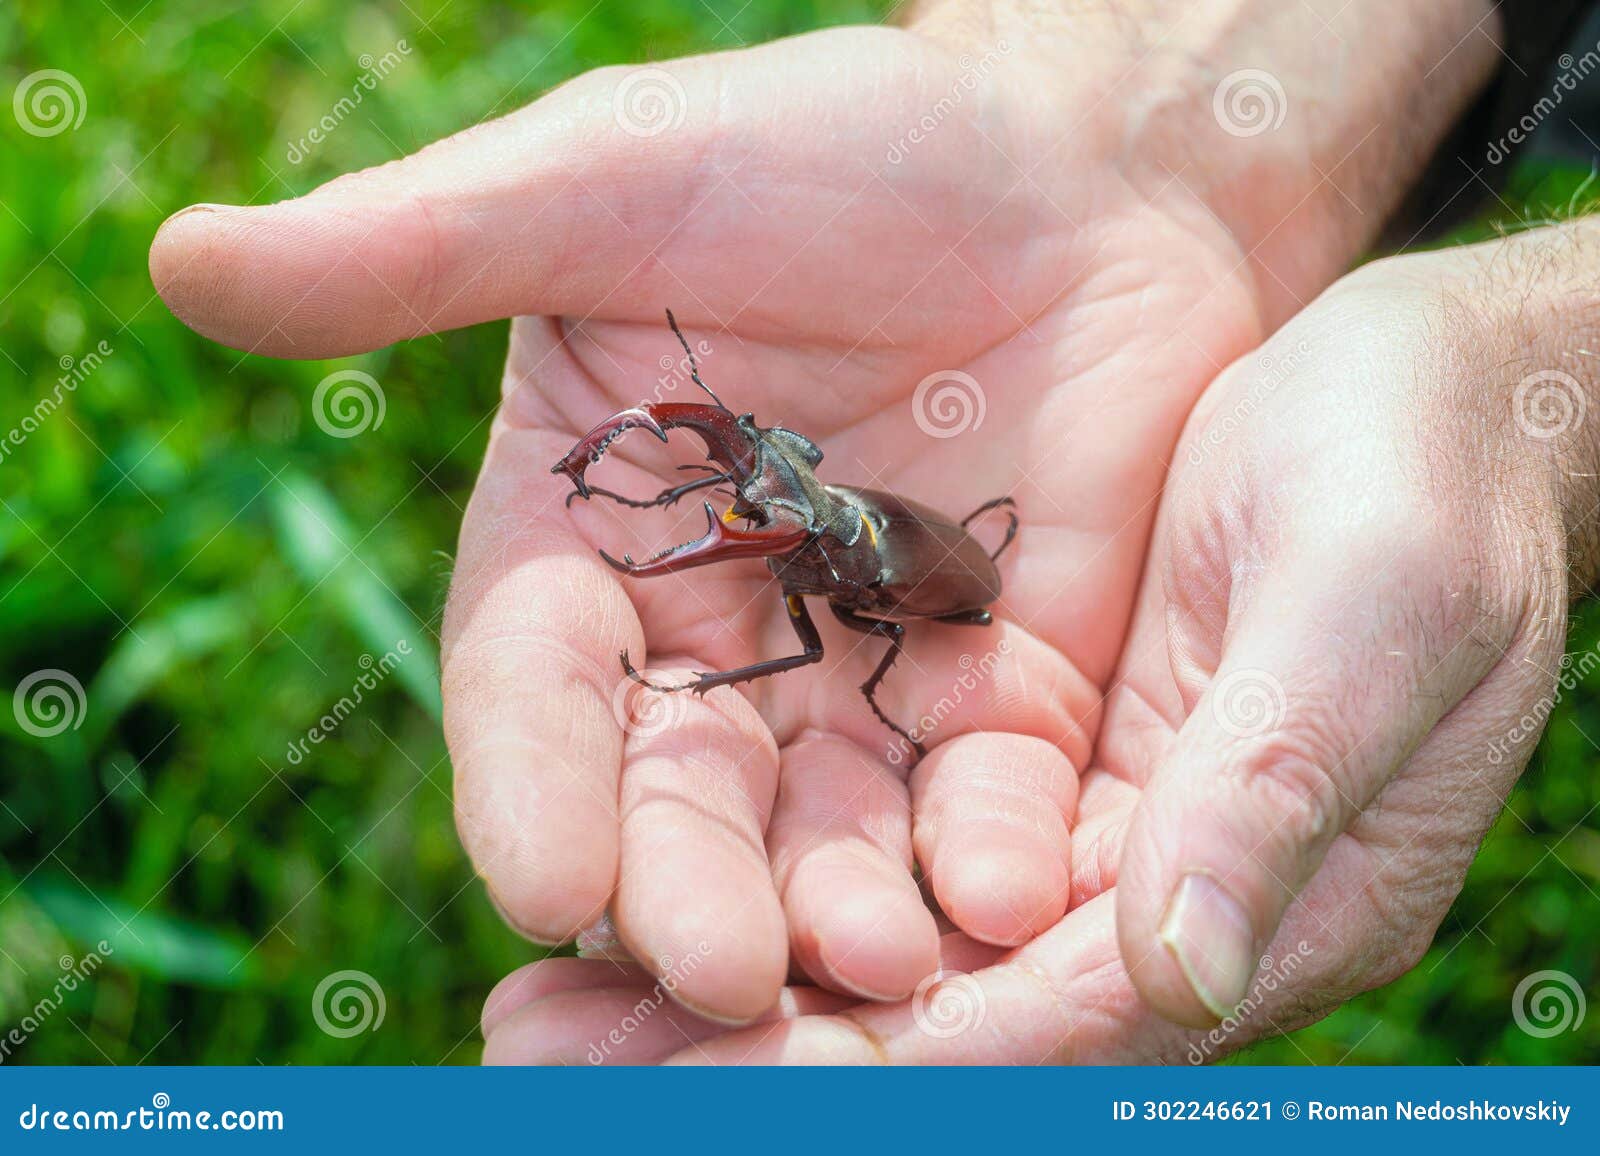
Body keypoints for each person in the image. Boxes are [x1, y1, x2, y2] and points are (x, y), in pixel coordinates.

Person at [149, 0, 1597, 1062]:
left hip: (922, 570)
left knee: (801, 634)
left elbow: (810, 641)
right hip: (896, 529)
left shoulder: (835, 570)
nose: (749, 500)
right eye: (752, 490)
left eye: (761, 495)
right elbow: (761, 494)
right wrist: (1116, 121)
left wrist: (1543, 386)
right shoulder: (801, 501)